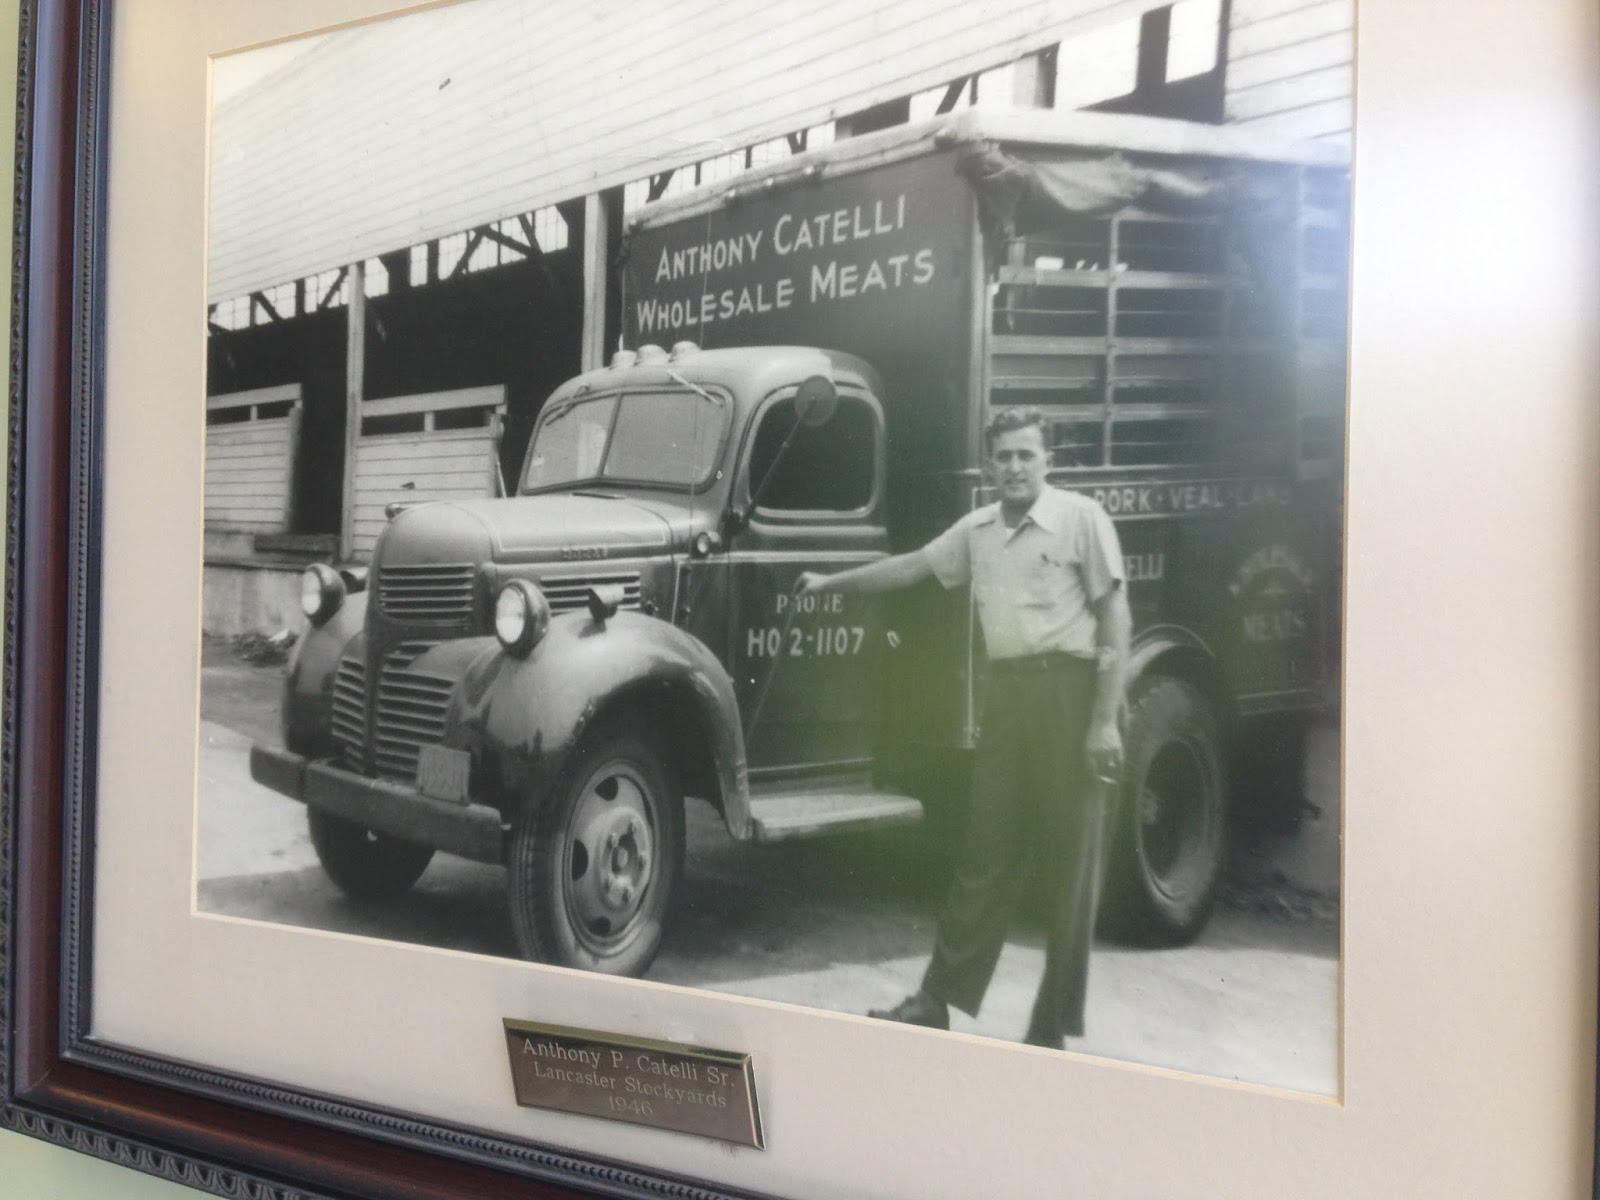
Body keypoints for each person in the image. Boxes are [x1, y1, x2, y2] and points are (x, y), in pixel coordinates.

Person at [796, 406, 1130, 1048]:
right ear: (988, 466)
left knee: (1071, 865)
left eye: (1025, 455)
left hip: (1072, 691)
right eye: (1003, 456)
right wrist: (829, 583)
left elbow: (1116, 620)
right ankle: (936, 1000)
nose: (1013, 467)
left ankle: (1049, 1026)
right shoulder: (977, 531)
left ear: (1047, 460)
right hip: (1009, 701)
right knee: (984, 852)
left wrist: (1104, 721)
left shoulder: (1080, 520)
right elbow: (912, 568)